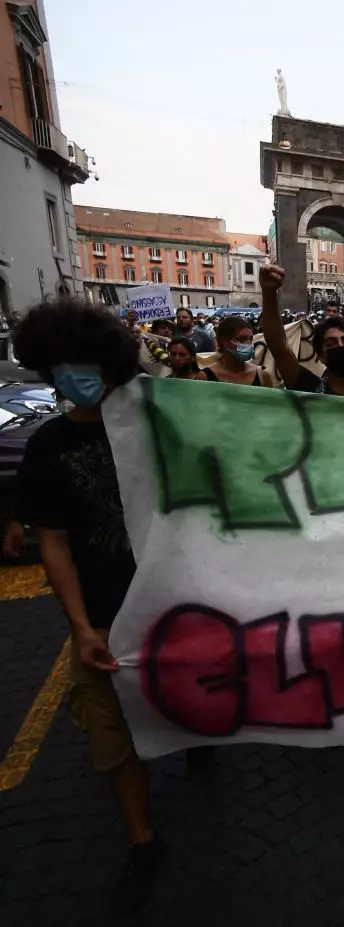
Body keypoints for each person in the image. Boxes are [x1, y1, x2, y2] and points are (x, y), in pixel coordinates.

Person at [11, 297, 162, 913]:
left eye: (86, 360)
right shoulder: (47, 447)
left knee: (191, 700)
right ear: (47, 369)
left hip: (172, 606)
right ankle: (142, 837)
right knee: (110, 730)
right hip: (102, 615)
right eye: (62, 363)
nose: (75, 373)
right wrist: (79, 627)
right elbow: (52, 542)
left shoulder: (153, 424)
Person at [259, 265, 344, 396]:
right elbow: (278, 346)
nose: (340, 347)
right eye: (331, 344)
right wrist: (269, 292)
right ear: (321, 356)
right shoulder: (309, 388)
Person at [200, 315, 276, 388]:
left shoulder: (262, 375)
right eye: (241, 339)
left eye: (250, 339)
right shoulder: (204, 377)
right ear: (223, 342)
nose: (248, 344)